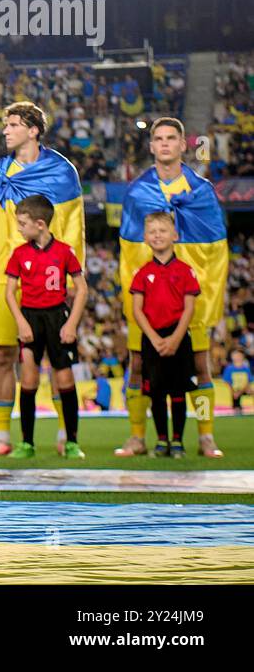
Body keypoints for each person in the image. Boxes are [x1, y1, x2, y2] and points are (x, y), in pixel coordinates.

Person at [0, 102, 84, 457]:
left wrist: (67, 279)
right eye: (5, 125)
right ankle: (2, 438)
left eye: (14, 124)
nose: (6, 131)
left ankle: (67, 436)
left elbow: (72, 231)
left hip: (48, 283)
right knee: (3, 354)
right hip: (4, 279)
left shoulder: (62, 172)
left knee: (55, 360)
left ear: (34, 130)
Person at [116, 118, 229, 458]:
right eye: (158, 139)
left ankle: (206, 436)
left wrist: (208, 304)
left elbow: (215, 252)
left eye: (171, 138)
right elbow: (128, 253)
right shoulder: (137, 192)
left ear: (183, 145)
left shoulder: (202, 192)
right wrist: (135, 303)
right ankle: (137, 437)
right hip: (148, 306)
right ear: (151, 146)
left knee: (200, 366)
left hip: (190, 304)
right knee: (137, 366)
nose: (164, 144)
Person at [3, 194, 89, 459]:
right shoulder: (19, 254)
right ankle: (27, 443)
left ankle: (72, 442)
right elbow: (9, 292)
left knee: (64, 378)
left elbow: (81, 289)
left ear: (40, 224)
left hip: (57, 317)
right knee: (28, 379)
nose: (19, 229)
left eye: (22, 223)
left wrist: (71, 324)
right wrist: (21, 322)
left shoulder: (64, 251)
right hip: (31, 317)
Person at [129, 212, 203, 457]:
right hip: (152, 338)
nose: (158, 235)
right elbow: (137, 310)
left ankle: (178, 440)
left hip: (178, 337)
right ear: (145, 237)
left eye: (163, 230)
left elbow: (189, 307)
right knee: (157, 392)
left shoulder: (185, 271)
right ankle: (161, 441)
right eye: (152, 231)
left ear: (175, 235)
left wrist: (175, 339)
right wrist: (154, 338)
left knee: (178, 391)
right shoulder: (142, 273)